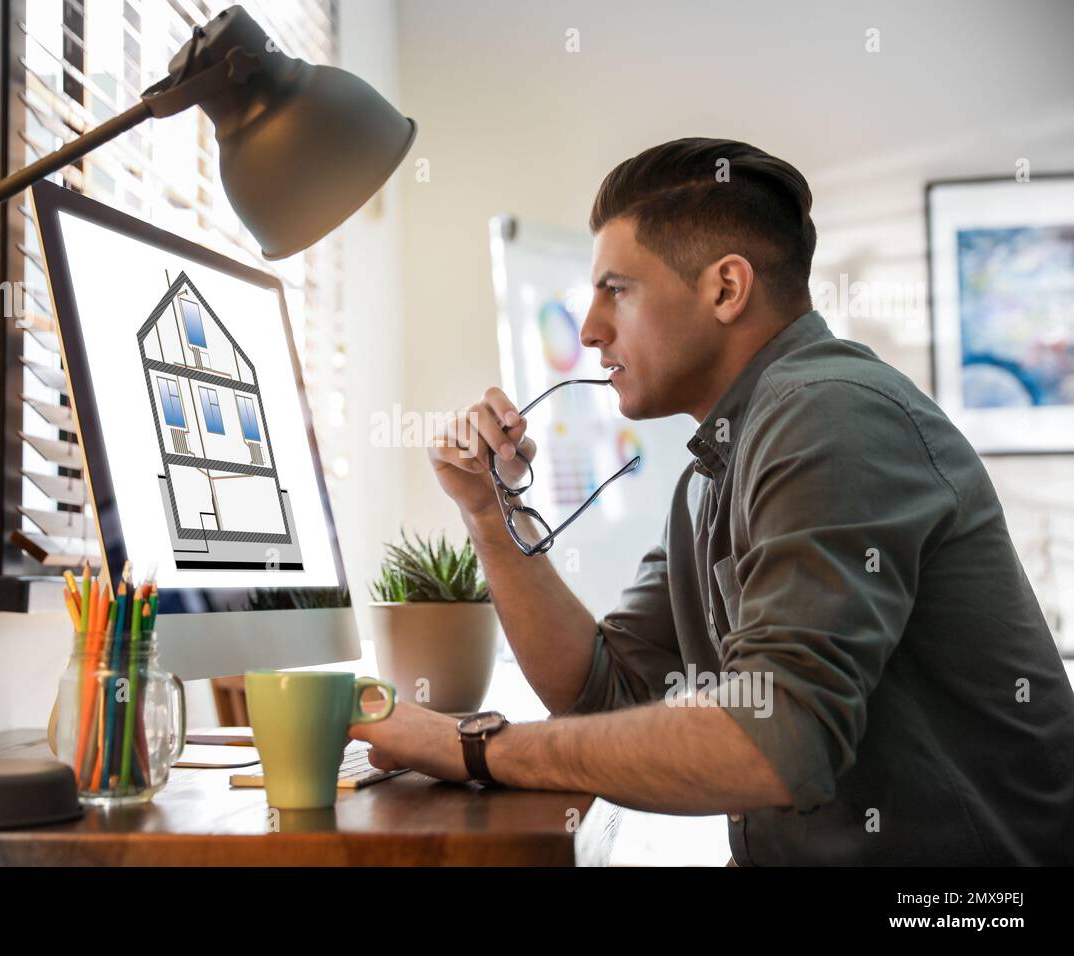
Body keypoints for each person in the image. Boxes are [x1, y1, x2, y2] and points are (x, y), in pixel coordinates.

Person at [350, 137, 1074, 865]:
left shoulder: (830, 416)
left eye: (616, 290)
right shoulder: (713, 471)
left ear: (726, 288)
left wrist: (467, 745)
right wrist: (487, 513)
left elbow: (776, 742)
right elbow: (606, 692)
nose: (590, 329)